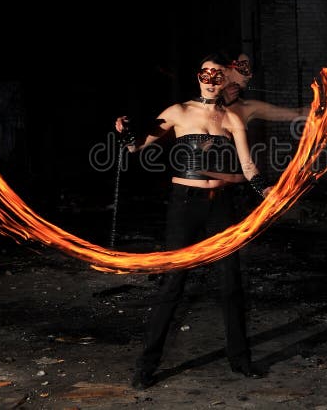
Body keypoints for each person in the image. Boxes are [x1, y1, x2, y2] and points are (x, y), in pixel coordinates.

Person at [115, 53, 269, 390]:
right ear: (198, 77)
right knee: (173, 284)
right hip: (184, 205)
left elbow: (247, 166)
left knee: (230, 283)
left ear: (224, 80)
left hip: (220, 206)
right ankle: (146, 367)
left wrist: (268, 191)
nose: (211, 79)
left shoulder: (232, 119)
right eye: (205, 73)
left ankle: (240, 361)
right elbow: (137, 147)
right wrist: (126, 134)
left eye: (218, 74)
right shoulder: (179, 112)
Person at [221, 52, 311, 124]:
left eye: (250, 69)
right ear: (226, 69)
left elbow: (291, 114)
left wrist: (314, 111)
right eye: (244, 67)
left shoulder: (246, 107)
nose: (250, 75)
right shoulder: (209, 95)